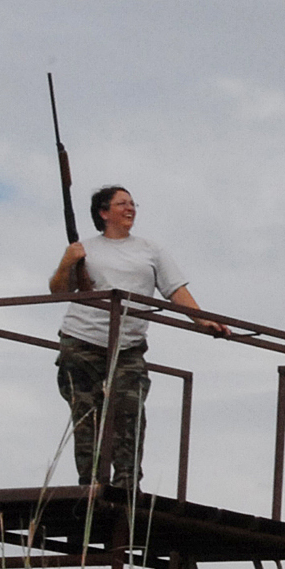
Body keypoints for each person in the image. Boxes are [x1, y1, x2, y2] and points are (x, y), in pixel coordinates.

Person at [48, 185, 227, 489]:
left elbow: (175, 289)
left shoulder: (150, 250)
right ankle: (90, 487)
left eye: (132, 204)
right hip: (81, 343)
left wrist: (202, 320)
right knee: (87, 419)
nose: (130, 208)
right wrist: (67, 261)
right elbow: (59, 290)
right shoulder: (85, 248)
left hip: (128, 347)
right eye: (122, 204)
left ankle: (127, 486)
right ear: (104, 212)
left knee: (129, 414)